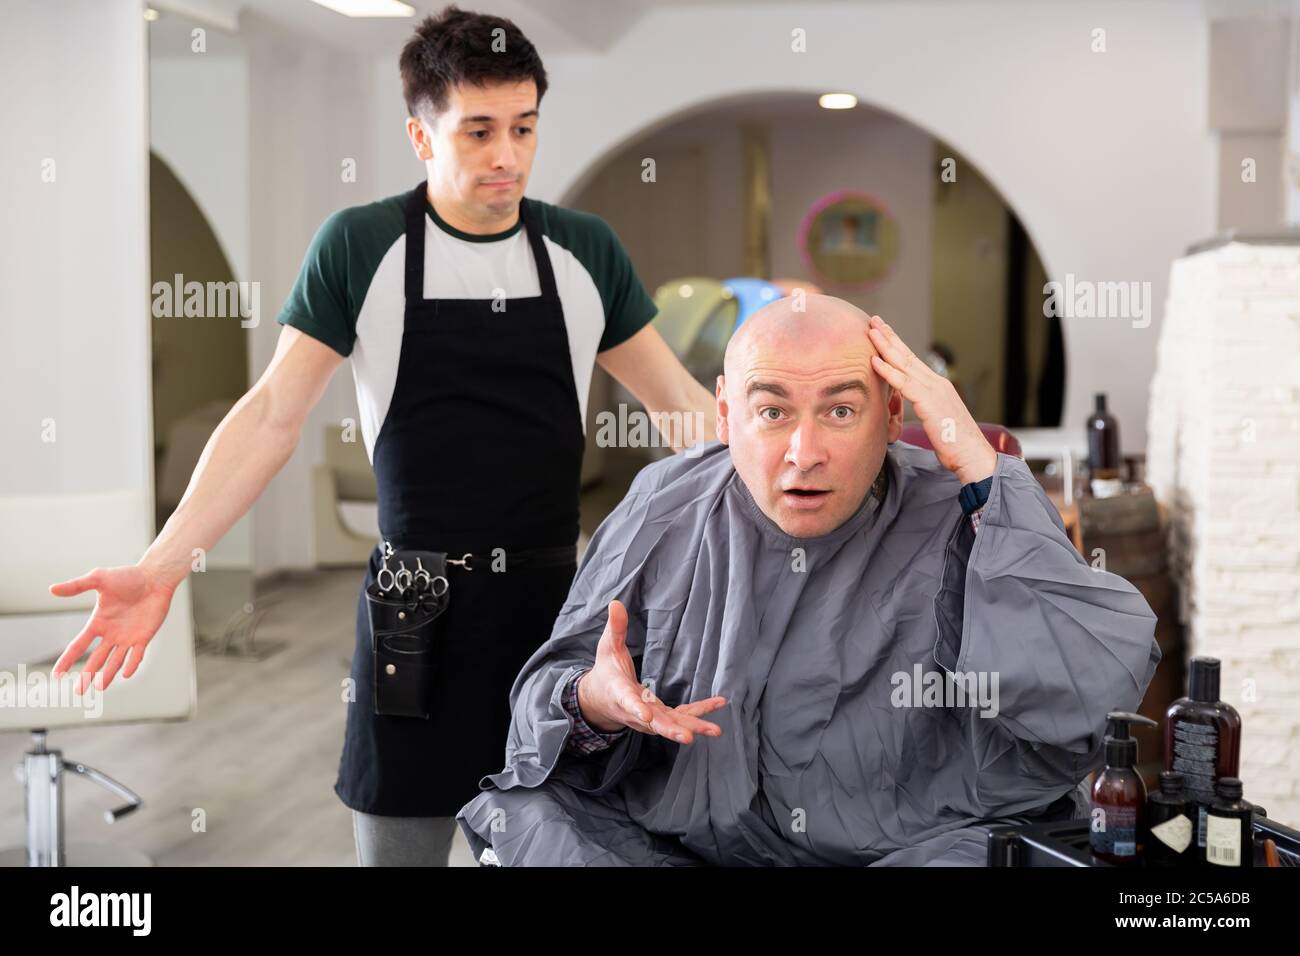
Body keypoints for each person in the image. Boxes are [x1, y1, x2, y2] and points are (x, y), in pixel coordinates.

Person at [47, 6, 715, 867]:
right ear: (419, 134)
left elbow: (683, 414)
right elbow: (269, 417)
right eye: (478, 131)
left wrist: (790, 446)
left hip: (557, 614)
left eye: (523, 128)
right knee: (399, 852)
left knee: (565, 846)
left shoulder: (584, 250)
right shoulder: (361, 246)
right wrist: (162, 564)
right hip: (413, 614)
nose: (507, 155)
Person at [456, 294, 1161, 866]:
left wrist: (980, 469)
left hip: (910, 845)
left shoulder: (963, 510)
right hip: (679, 844)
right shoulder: (662, 505)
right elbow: (543, 711)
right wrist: (594, 702)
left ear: (892, 415)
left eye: (842, 411)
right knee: (533, 817)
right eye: (772, 412)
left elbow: (1082, 703)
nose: (805, 453)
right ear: (726, 414)